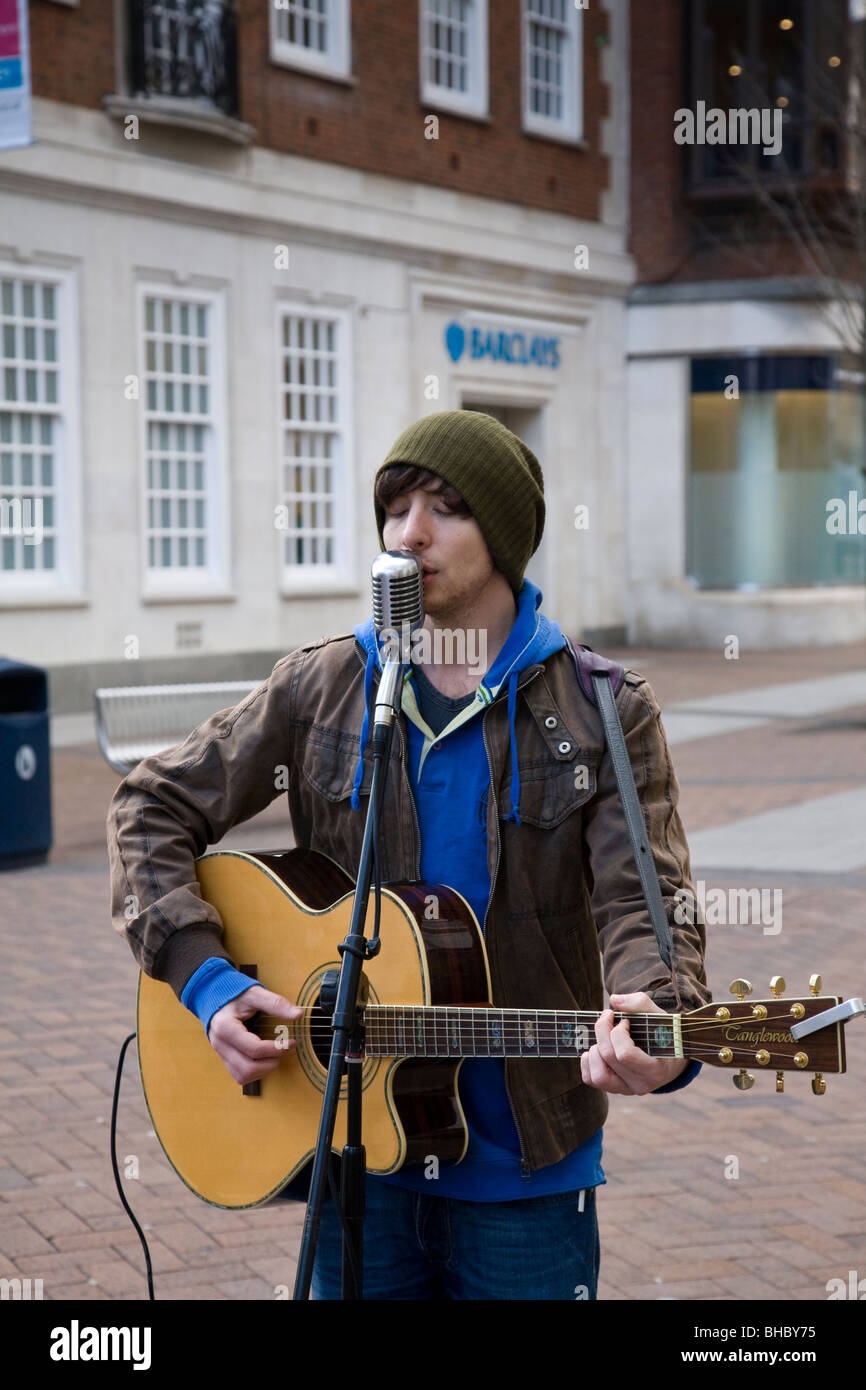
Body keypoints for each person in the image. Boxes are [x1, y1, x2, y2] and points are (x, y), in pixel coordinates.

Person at [107, 409, 709, 1301]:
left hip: (526, 1178)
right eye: (394, 508)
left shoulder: (602, 710)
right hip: (353, 1155)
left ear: (502, 537)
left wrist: (660, 1019)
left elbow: (646, 903)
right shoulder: (327, 684)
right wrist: (207, 981)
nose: (407, 533)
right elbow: (149, 804)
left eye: (445, 508)